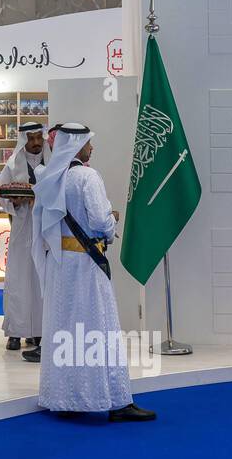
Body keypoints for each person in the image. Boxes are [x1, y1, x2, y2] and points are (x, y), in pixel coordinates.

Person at [31, 123, 155, 422]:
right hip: (88, 264)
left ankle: (64, 399)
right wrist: (113, 218)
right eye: (88, 143)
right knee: (99, 330)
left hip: (62, 265)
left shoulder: (51, 178)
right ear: (76, 146)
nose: (92, 148)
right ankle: (115, 401)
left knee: (66, 330)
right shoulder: (87, 176)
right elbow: (101, 223)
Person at [0, 122, 46, 355]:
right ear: (24, 140)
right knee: (17, 278)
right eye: (31, 139)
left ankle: (37, 330)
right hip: (22, 227)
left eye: (39, 138)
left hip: (45, 229)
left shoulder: (53, 161)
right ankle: (15, 332)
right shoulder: (13, 163)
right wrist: (14, 201)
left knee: (40, 279)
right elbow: (1, 195)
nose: (36, 143)